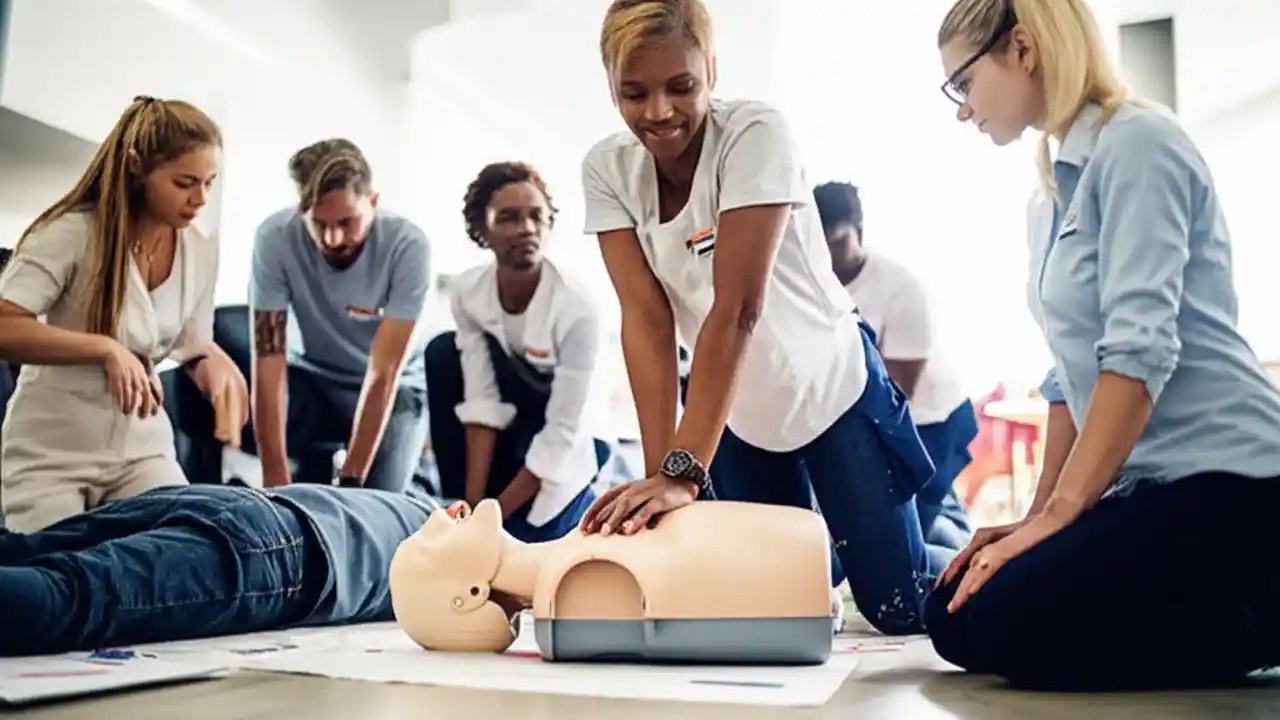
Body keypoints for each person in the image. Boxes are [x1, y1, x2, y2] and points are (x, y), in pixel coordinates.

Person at [929, 0, 1280, 690]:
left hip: (1230, 483)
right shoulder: (1052, 190)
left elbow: (1137, 357)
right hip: (1144, 487)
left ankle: (1258, 607)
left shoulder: (1139, 142)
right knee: (952, 610)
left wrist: (1061, 518)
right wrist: (1032, 520)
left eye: (963, 84)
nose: (963, 110)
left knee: (1009, 619)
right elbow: (1067, 379)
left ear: (1022, 49)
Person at [576, 0, 946, 636]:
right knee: (773, 604)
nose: (658, 112)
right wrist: (659, 473)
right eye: (633, 93)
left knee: (897, 604)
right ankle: (832, 555)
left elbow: (738, 308)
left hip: (830, 388)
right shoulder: (606, 169)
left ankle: (988, 560)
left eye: (681, 86)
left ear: (711, 69)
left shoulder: (755, 134)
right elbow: (646, 322)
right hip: (738, 412)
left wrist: (683, 471)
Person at [0, 95, 246, 533]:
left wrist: (214, 368)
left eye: (209, 182)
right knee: (60, 582)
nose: (200, 199)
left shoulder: (199, 248)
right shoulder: (71, 232)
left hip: (141, 449)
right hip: (51, 452)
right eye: (185, 182)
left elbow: (191, 346)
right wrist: (103, 349)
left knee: (178, 555)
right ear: (137, 166)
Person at [0, 482, 437, 657]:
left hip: (232, 500)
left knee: (23, 548)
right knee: (72, 598)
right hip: (285, 549)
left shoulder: (409, 503)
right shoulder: (467, 547)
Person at [425, 161, 603, 542]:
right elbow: (481, 400)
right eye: (508, 218)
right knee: (442, 353)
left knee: (525, 538)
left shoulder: (577, 308)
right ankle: (457, 500)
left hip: (567, 431)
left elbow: (563, 428)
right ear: (481, 230)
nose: (526, 229)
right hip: (512, 415)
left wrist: (496, 516)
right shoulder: (468, 292)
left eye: (537, 217)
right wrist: (472, 511)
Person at [249, 139, 433, 493]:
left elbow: (384, 373)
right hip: (311, 379)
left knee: (374, 503)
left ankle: (418, 484)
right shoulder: (273, 238)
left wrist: (351, 481)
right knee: (298, 501)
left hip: (393, 388)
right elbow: (268, 357)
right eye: (318, 224)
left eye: (347, 222)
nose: (332, 239)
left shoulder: (409, 246)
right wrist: (273, 476)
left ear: (374, 203)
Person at [814, 181, 974, 553]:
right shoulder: (812, 284)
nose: (828, 255)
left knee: (900, 544)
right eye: (817, 244)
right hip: (867, 419)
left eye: (837, 242)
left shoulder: (900, 286)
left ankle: (971, 573)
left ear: (860, 232)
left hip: (930, 422)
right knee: (895, 532)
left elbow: (896, 392)